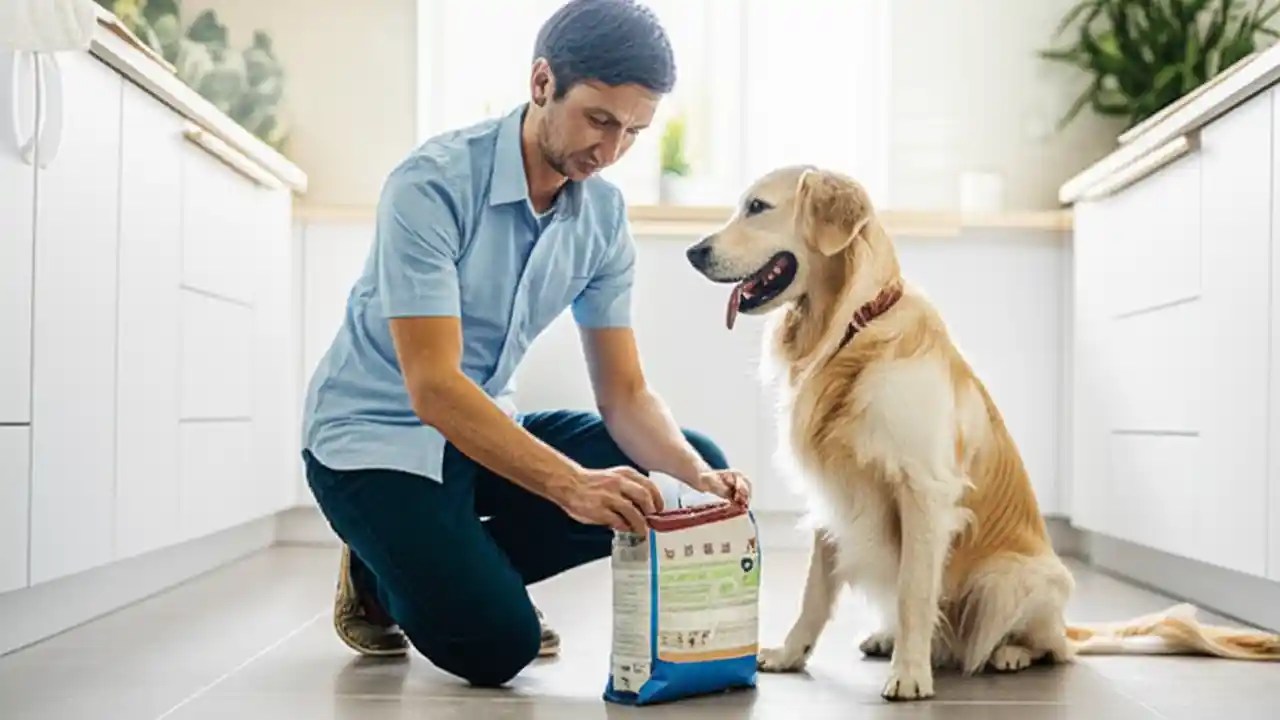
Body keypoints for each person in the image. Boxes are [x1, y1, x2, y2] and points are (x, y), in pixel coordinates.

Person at [300, 0, 752, 688]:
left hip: (478, 434)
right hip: (373, 440)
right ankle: (383, 567)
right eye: (599, 119)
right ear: (543, 82)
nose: (611, 151)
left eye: (634, 130)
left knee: (685, 476)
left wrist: (698, 479)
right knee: (497, 646)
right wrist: (569, 484)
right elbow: (433, 386)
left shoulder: (600, 217)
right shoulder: (433, 185)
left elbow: (624, 395)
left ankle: (417, 557)